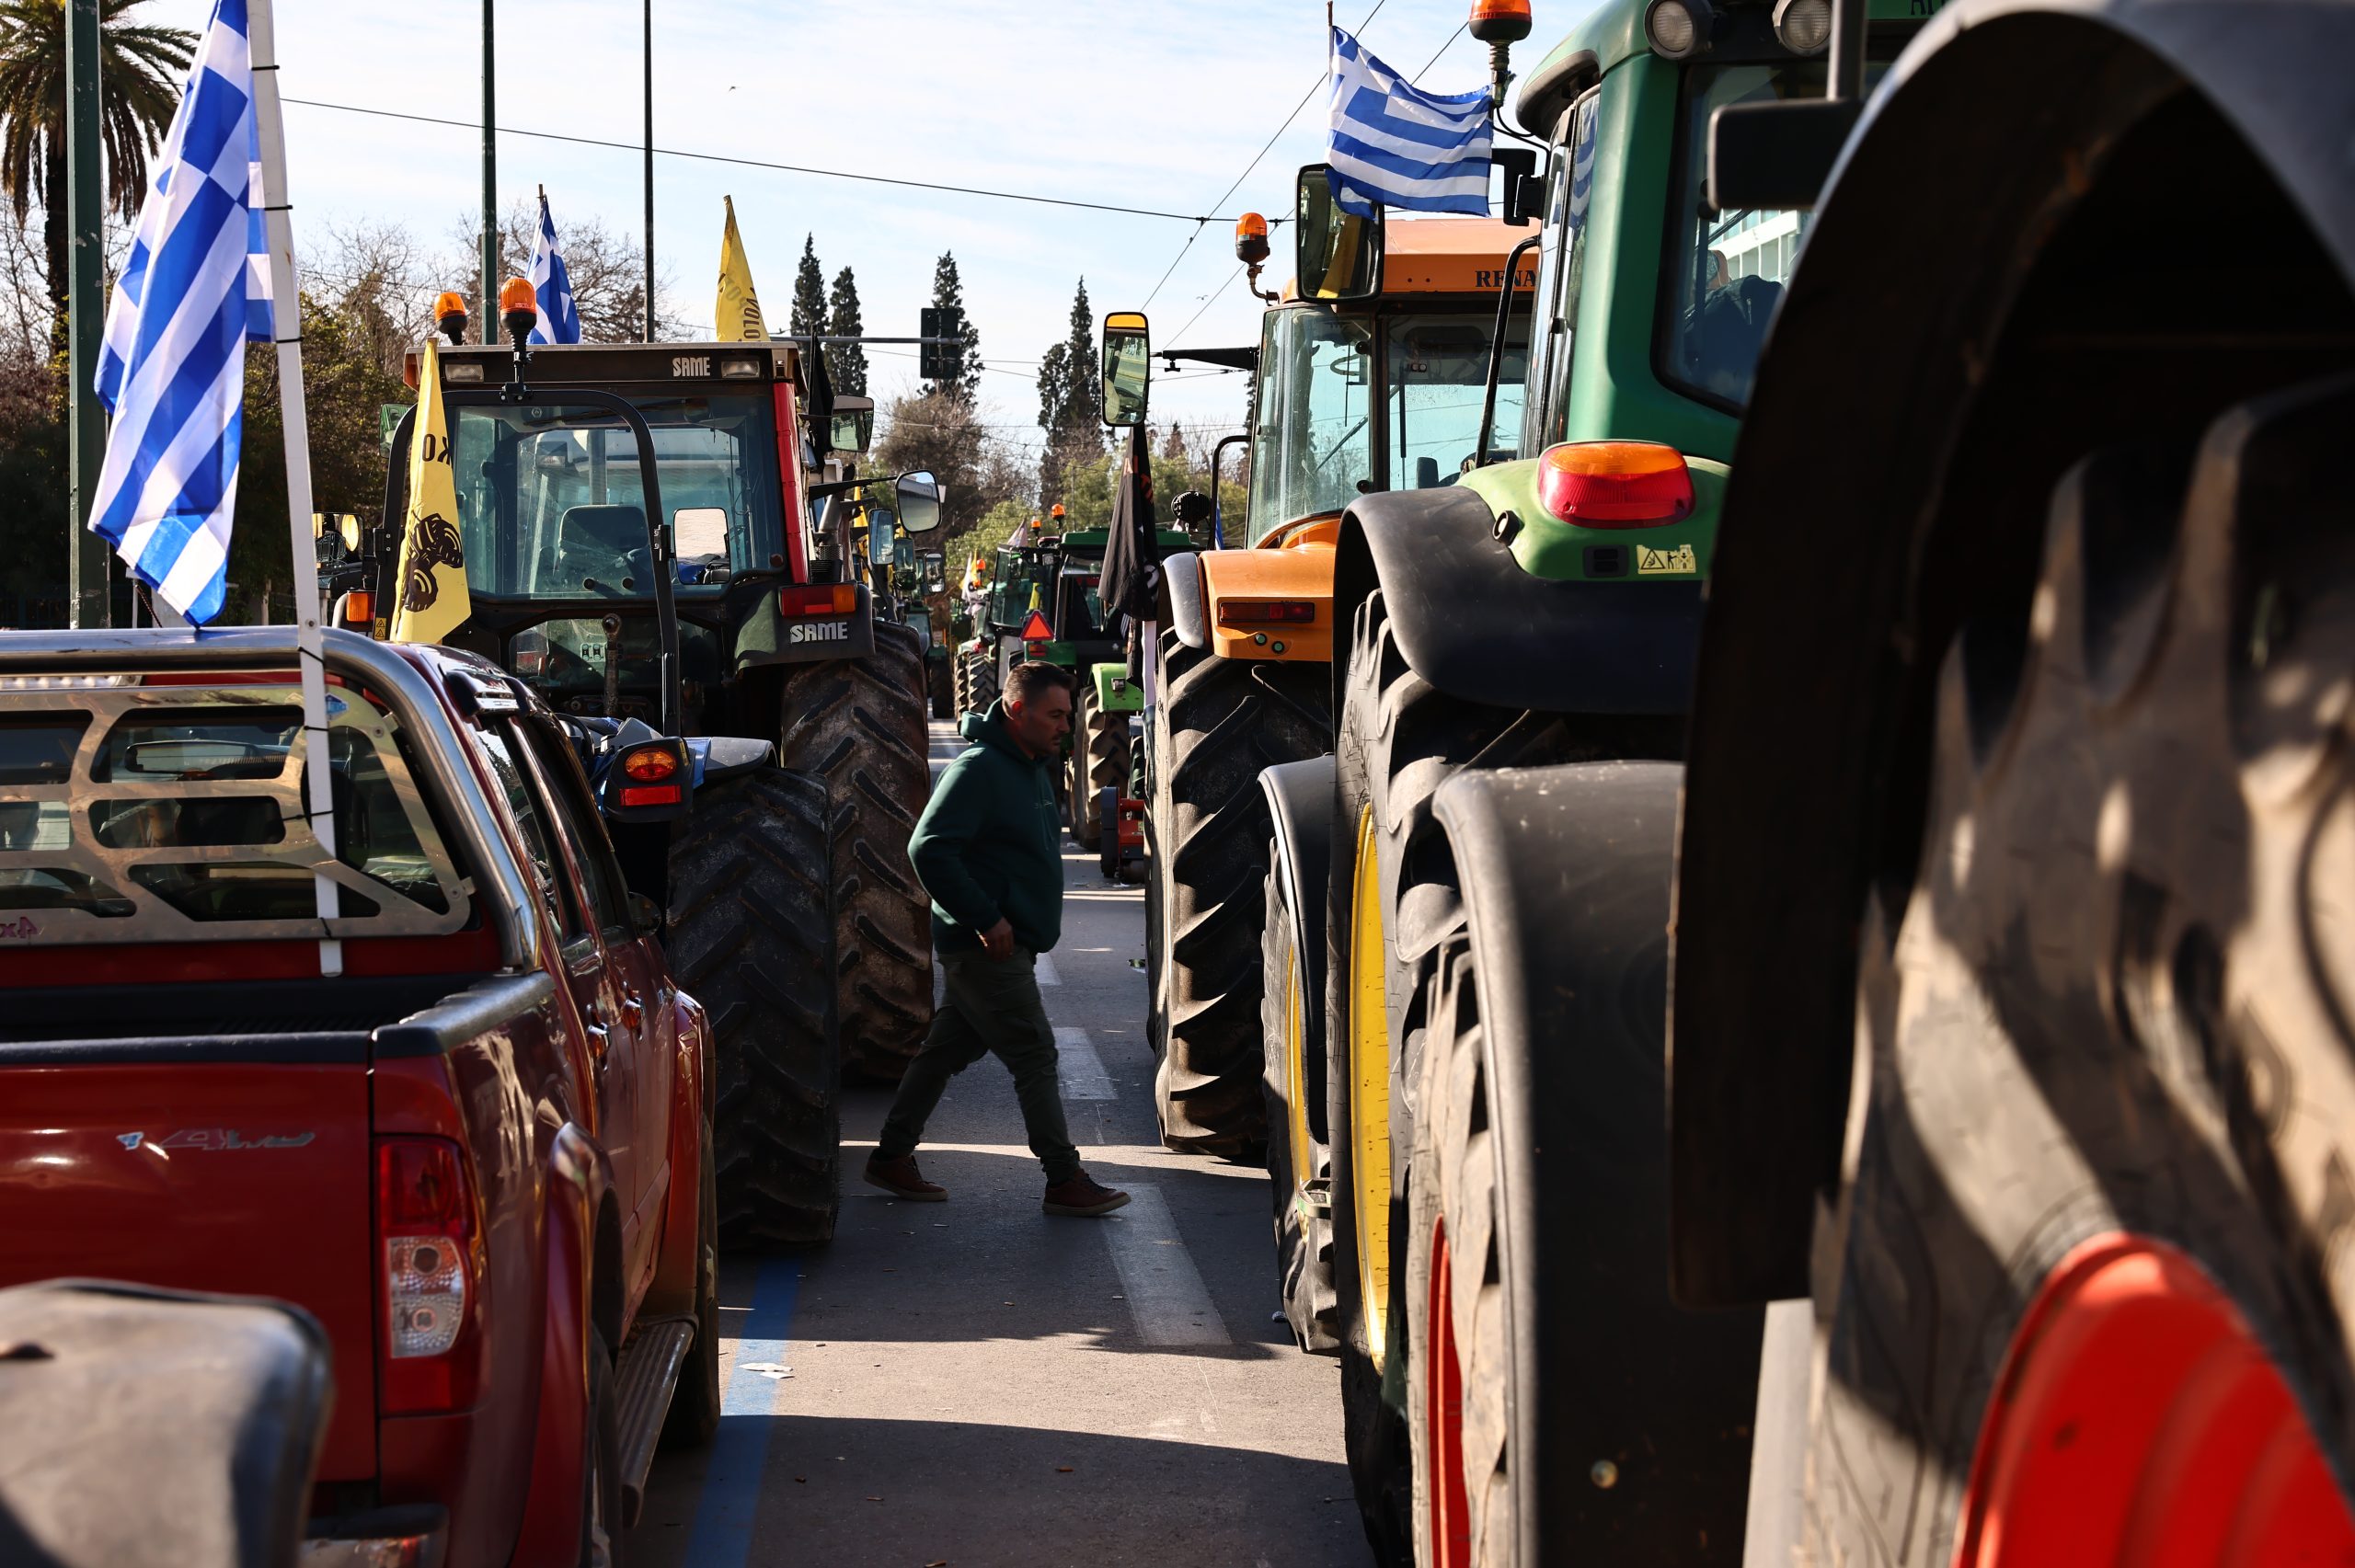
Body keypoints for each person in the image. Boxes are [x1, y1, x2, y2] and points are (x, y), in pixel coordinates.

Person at [865, 660, 1132, 1217]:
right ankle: (1063, 1177)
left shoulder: (1031, 766)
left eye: (1067, 715)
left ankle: (890, 1156)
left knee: (943, 1052)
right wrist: (985, 918)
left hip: (1002, 946)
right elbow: (928, 849)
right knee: (1035, 1053)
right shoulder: (979, 769)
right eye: (1054, 715)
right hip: (986, 949)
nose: (1065, 727)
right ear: (1016, 711)